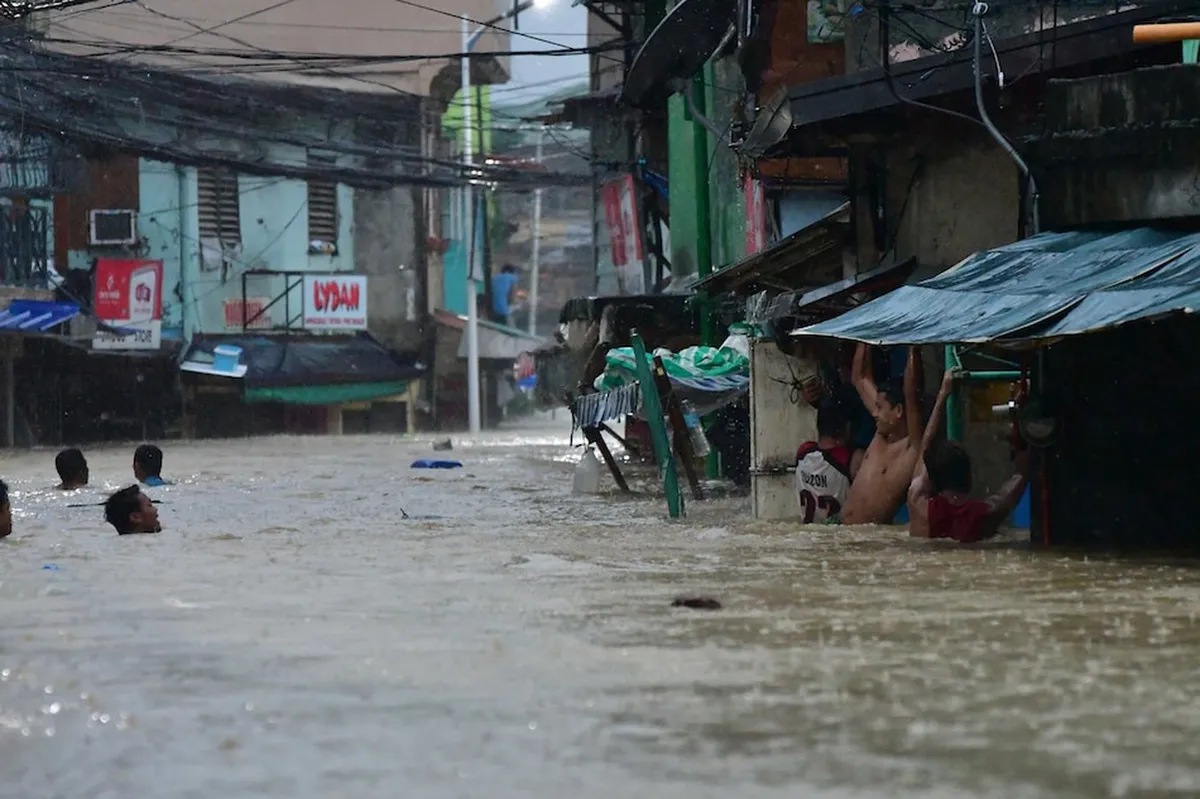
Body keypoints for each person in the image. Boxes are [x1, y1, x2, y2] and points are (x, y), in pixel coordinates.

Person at [908, 369, 1031, 543]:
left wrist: (943, 395)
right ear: (969, 475)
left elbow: (925, 449)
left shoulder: (918, 505)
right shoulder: (986, 514)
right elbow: (1022, 474)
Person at [839, 344, 923, 524]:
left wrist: (914, 346)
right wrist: (864, 335)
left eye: (880, 407)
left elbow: (911, 391)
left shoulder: (912, 447)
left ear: (898, 411)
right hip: (843, 530)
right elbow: (860, 378)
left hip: (870, 541)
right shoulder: (880, 433)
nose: (875, 413)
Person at [795, 401, 864, 523]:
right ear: (847, 427)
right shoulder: (852, 459)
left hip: (806, 535)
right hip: (839, 537)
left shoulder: (803, 452)